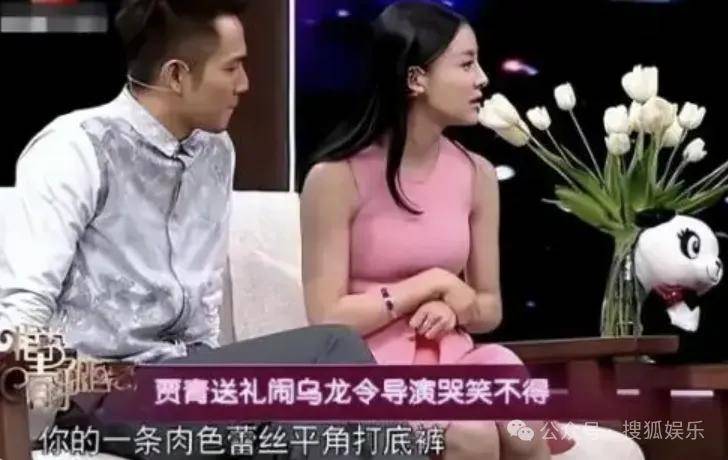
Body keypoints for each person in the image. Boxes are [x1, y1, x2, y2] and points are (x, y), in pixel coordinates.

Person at [0, 1, 407, 458]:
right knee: (333, 346)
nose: (244, 84)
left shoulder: (215, 151)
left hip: (188, 380)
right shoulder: (76, 147)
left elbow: (205, 296)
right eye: (231, 68)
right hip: (100, 391)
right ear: (176, 75)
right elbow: (24, 304)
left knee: (307, 421)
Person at [301, 2, 556, 459]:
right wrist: (429, 285)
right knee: (472, 437)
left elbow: (489, 308)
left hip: (454, 359)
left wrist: (454, 309)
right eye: (466, 64)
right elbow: (326, 319)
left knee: (522, 428)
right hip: (367, 370)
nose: (482, 79)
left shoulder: (477, 174)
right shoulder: (335, 177)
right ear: (416, 79)